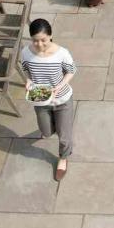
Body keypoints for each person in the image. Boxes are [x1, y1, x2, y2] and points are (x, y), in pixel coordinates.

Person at [21, 18, 77, 181]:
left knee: (64, 136)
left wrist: (61, 85)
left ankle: (63, 158)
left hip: (62, 99)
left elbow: (72, 70)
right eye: (35, 41)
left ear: (50, 36)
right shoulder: (26, 52)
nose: (39, 44)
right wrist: (29, 81)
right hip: (41, 99)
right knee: (46, 131)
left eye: (43, 40)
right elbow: (26, 70)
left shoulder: (62, 53)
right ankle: (56, 126)